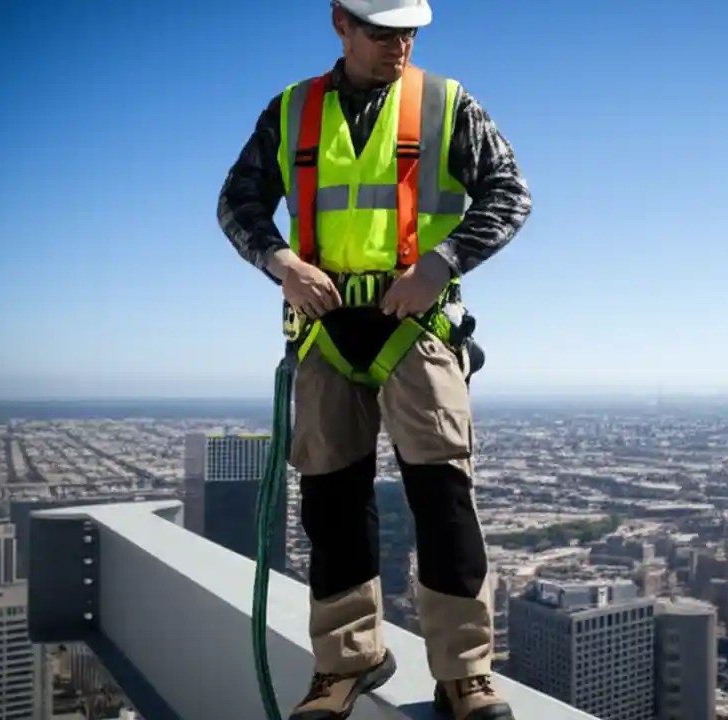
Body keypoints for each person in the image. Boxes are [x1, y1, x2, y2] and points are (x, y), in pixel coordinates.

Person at [216, 0, 532, 718]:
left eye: (409, 30)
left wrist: (443, 262)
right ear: (341, 23)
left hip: (418, 329)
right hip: (324, 330)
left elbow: (510, 193)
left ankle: (463, 673)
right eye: (383, 30)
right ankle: (345, 662)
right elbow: (239, 200)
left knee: (443, 500)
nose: (401, 42)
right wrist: (281, 262)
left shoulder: (447, 104)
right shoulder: (292, 111)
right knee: (332, 502)